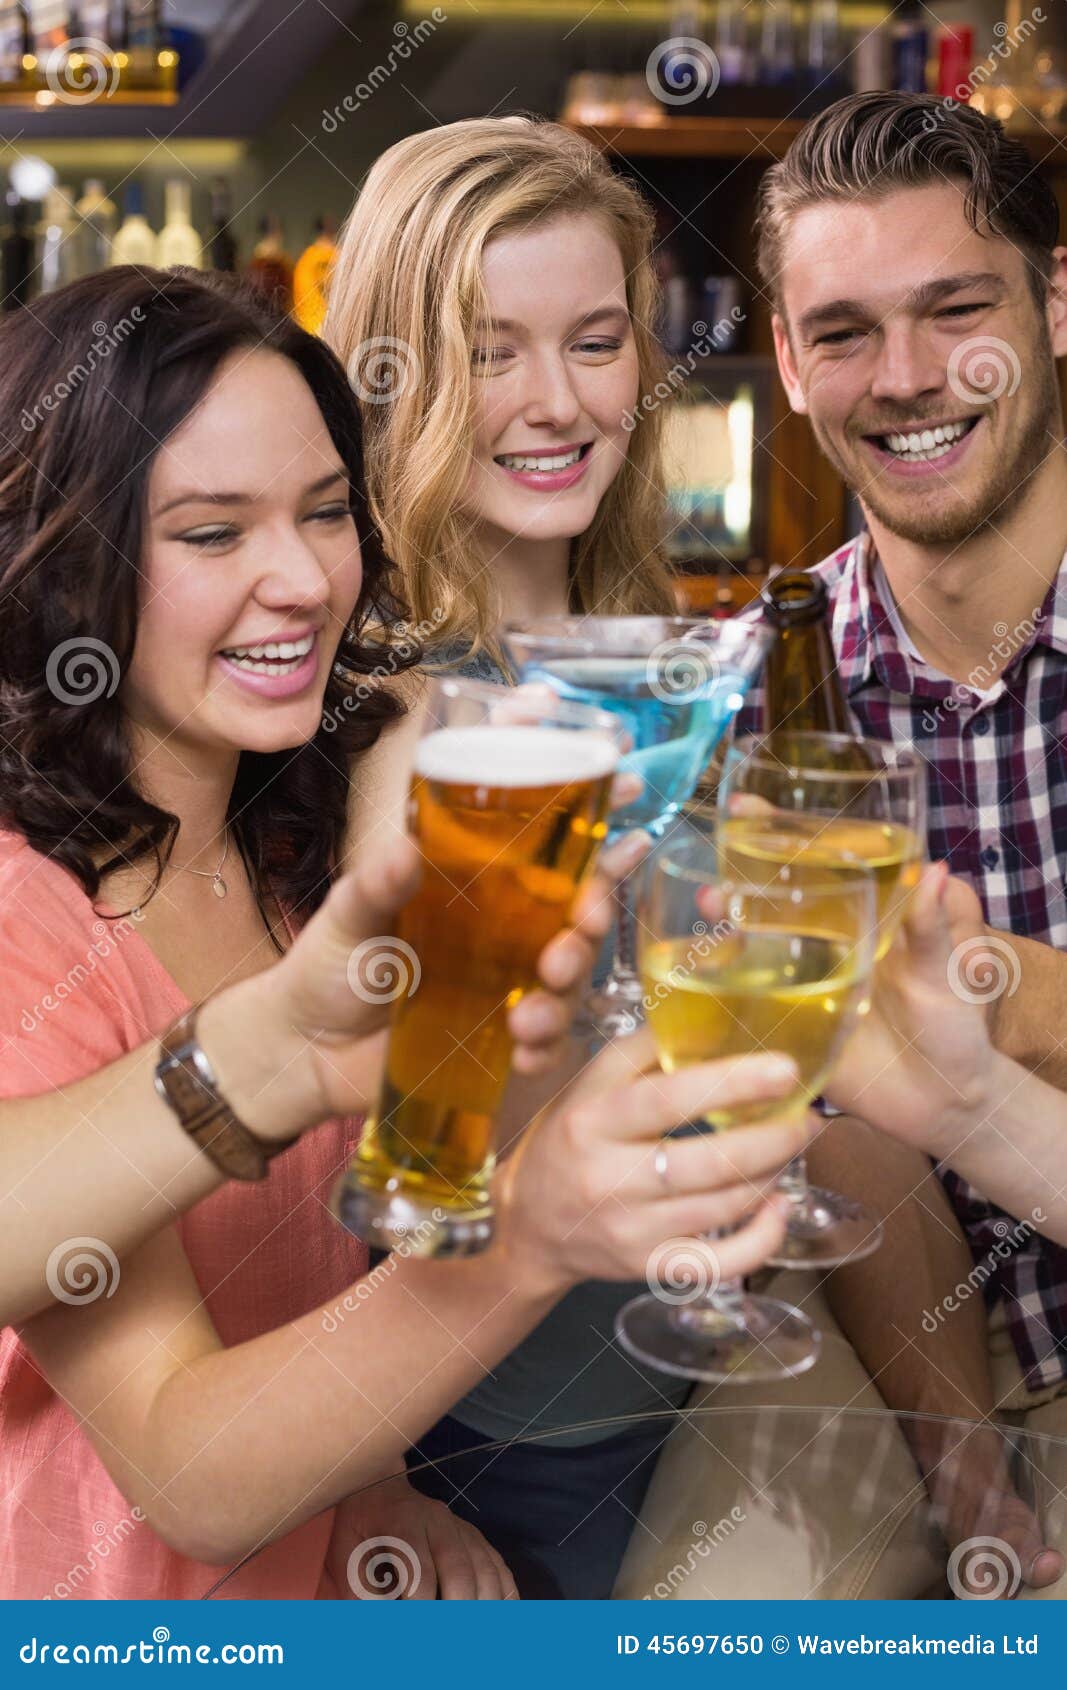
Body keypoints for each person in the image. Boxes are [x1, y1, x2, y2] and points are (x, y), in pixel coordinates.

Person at [0, 265, 809, 1601]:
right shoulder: (36, 917)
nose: (303, 578)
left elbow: (342, 1234)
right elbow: (194, 1469)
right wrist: (531, 1235)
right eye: (213, 533)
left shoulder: (290, 842)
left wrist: (376, 1481)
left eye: (326, 513)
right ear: (65, 555)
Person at [322, 113, 988, 1598]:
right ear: (393, 373)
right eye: (489, 349)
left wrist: (981, 1486)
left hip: (713, 1374)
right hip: (480, 1445)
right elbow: (323, 1171)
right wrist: (362, 1480)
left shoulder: (682, 673)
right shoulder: (358, 710)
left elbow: (821, 1079)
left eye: (594, 339)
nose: (555, 402)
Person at [623, 88, 1067, 1600]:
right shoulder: (743, 697)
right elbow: (824, 1106)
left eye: (957, 309)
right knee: (700, 1624)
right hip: (884, 1325)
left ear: (1057, 305)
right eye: (846, 332)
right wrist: (977, 1491)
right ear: (792, 365)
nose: (908, 379)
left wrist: (984, 988)